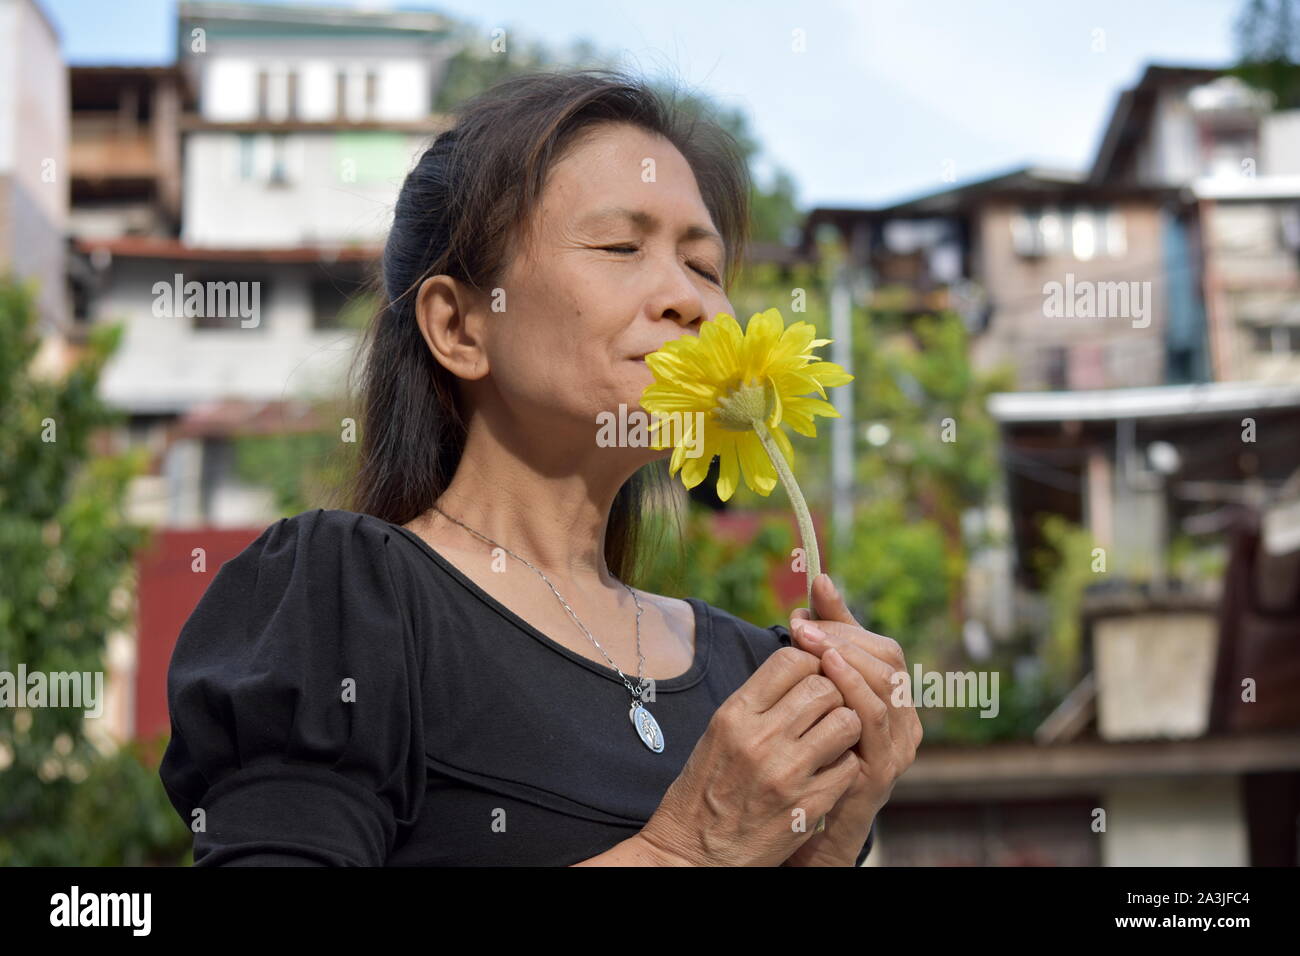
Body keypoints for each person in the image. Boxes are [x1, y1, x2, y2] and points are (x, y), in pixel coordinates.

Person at [159, 68, 921, 866]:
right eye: (621, 247)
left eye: (704, 266)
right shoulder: (345, 604)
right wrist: (682, 850)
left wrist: (833, 839)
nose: (689, 300)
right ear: (459, 327)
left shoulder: (754, 672)